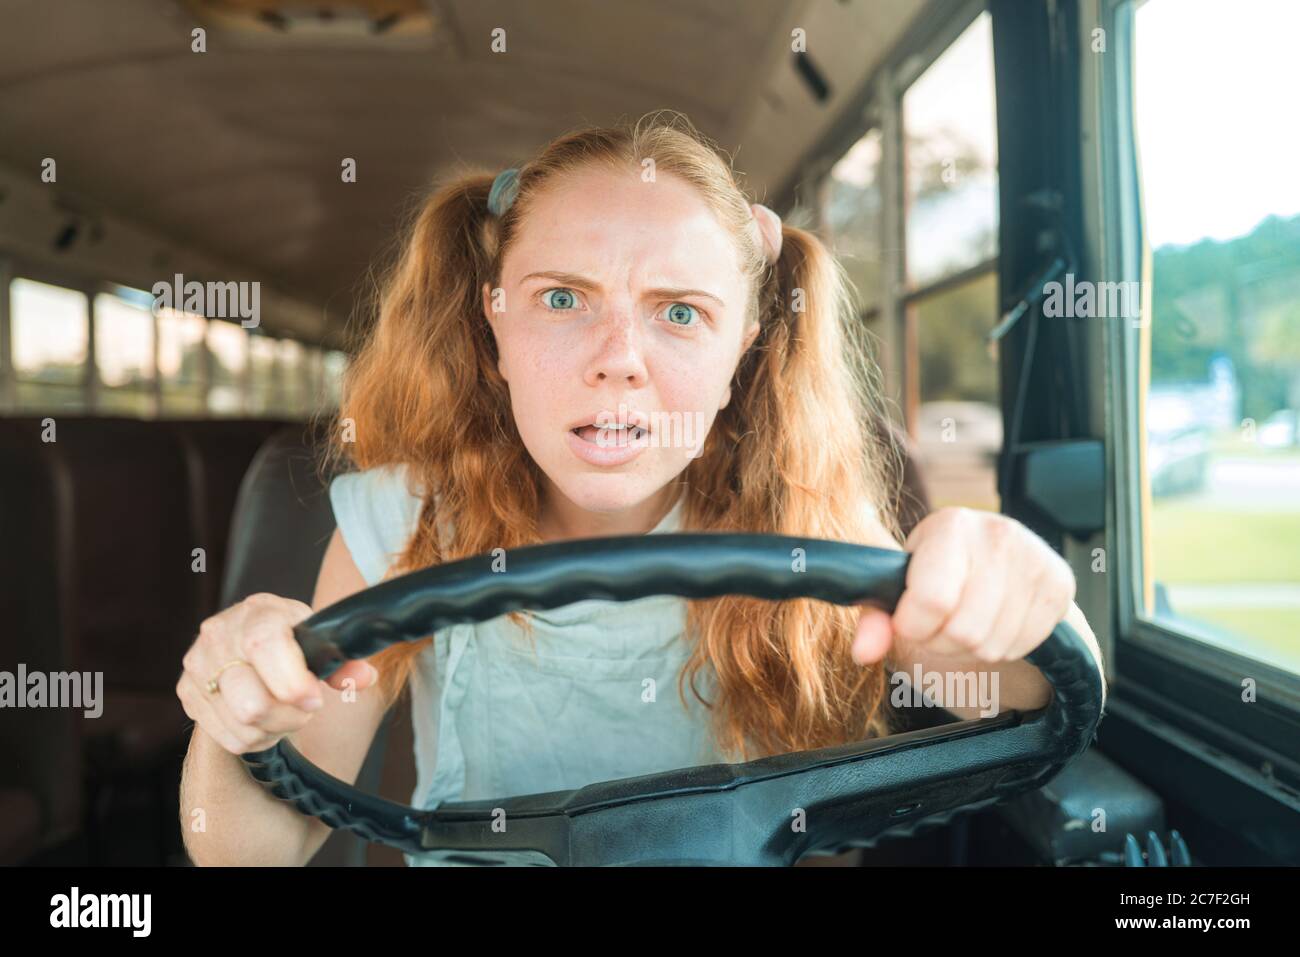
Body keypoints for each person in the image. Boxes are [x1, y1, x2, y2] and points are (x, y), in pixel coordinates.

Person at [177, 110, 1106, 867]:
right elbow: (249, 850)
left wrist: (1009, 592)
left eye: (680, 312)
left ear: (742, 350)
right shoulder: (405, 518)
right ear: (495, 327)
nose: (618, 358)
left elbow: (1018, 693)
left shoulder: (806, 523)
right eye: (562, 298)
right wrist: (236, 717)